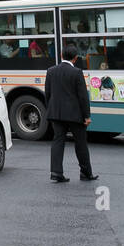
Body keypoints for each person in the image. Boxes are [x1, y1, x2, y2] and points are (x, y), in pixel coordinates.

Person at [45, 46, 97, 183]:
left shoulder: (50, 71)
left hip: (55, 113)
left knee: (57, 141)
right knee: (80, 143)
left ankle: (56, 172)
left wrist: (50, 110)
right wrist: (87, 116)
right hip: (75, 114)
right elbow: (83, 97)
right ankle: (86, 172)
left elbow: (48, 93)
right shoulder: (77, 72)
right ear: (75, 58)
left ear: (61, 55)